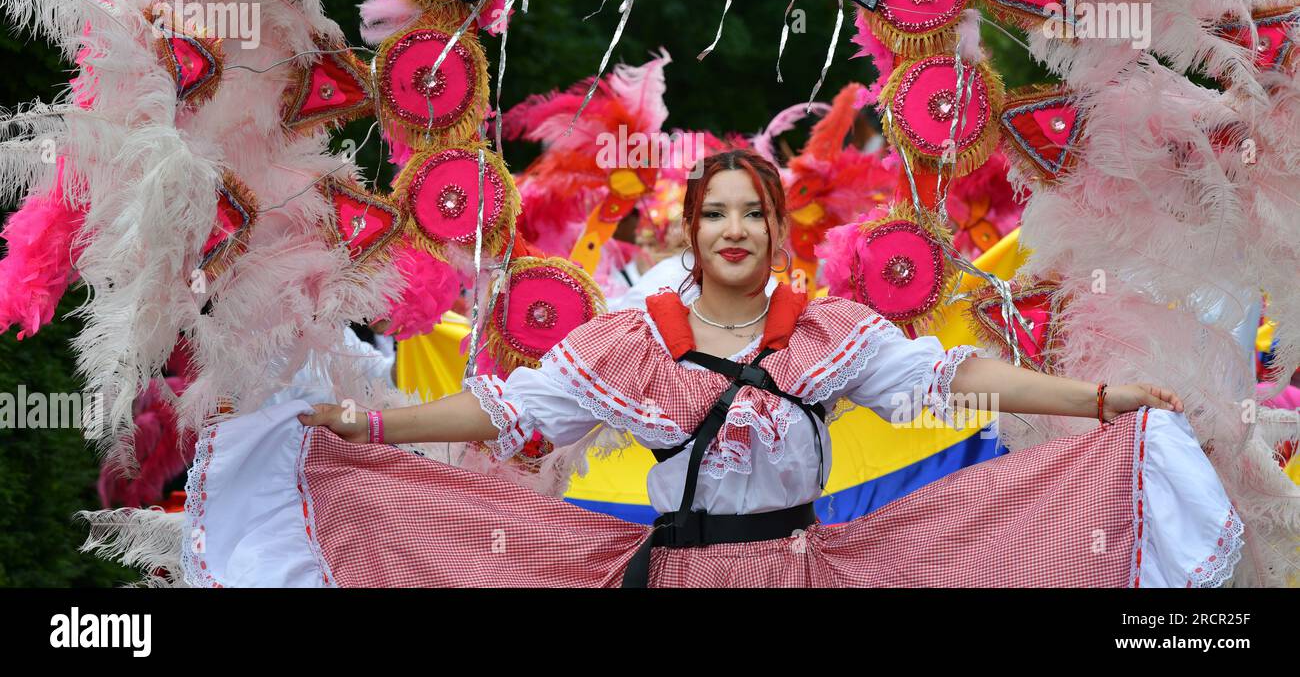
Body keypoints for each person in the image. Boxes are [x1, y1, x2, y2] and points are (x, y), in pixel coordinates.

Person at [185, 149, 1241, 587]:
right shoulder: (630, 341)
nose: (735, 228)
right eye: (716, 213)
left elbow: (959, 377)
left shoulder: (827, 331)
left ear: (778, 229)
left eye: (753, 212)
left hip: (804, 570)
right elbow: (504, 412)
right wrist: (365, 428)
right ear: (690, 232)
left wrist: (1102, 399)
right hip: (674, 575)